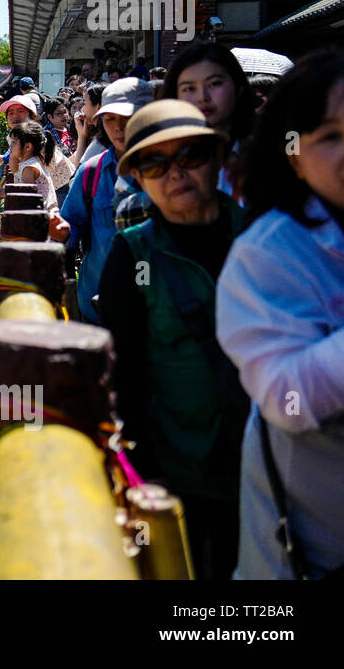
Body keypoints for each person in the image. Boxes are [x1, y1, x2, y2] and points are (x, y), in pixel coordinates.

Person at [99, 99, 247, 579]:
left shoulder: (264, 238)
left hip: (268, 463)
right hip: (175, 463)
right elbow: (124, 366)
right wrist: (142, 465)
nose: (175, 172)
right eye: (155, 163)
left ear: (216, 159)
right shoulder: (132, 252)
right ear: (138, 178)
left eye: (190, 156)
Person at [217, 52, 344, 579]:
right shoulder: (269, 251)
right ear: (293, 154)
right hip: (308, 553)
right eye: (332, 135)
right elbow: (286, 397)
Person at [59, 76, 150, 322]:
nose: (118, 127)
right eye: (110, 119)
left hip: (157, 309)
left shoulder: (168, 171)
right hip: (96, 303)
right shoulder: (91, 171)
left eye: (127, 118)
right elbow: (71, 225)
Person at [163, 42, 257, 198]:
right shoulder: (161, 155)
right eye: (189, 88)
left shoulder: (269, 149)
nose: (203, 97)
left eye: (215, 84)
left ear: (238, 87)